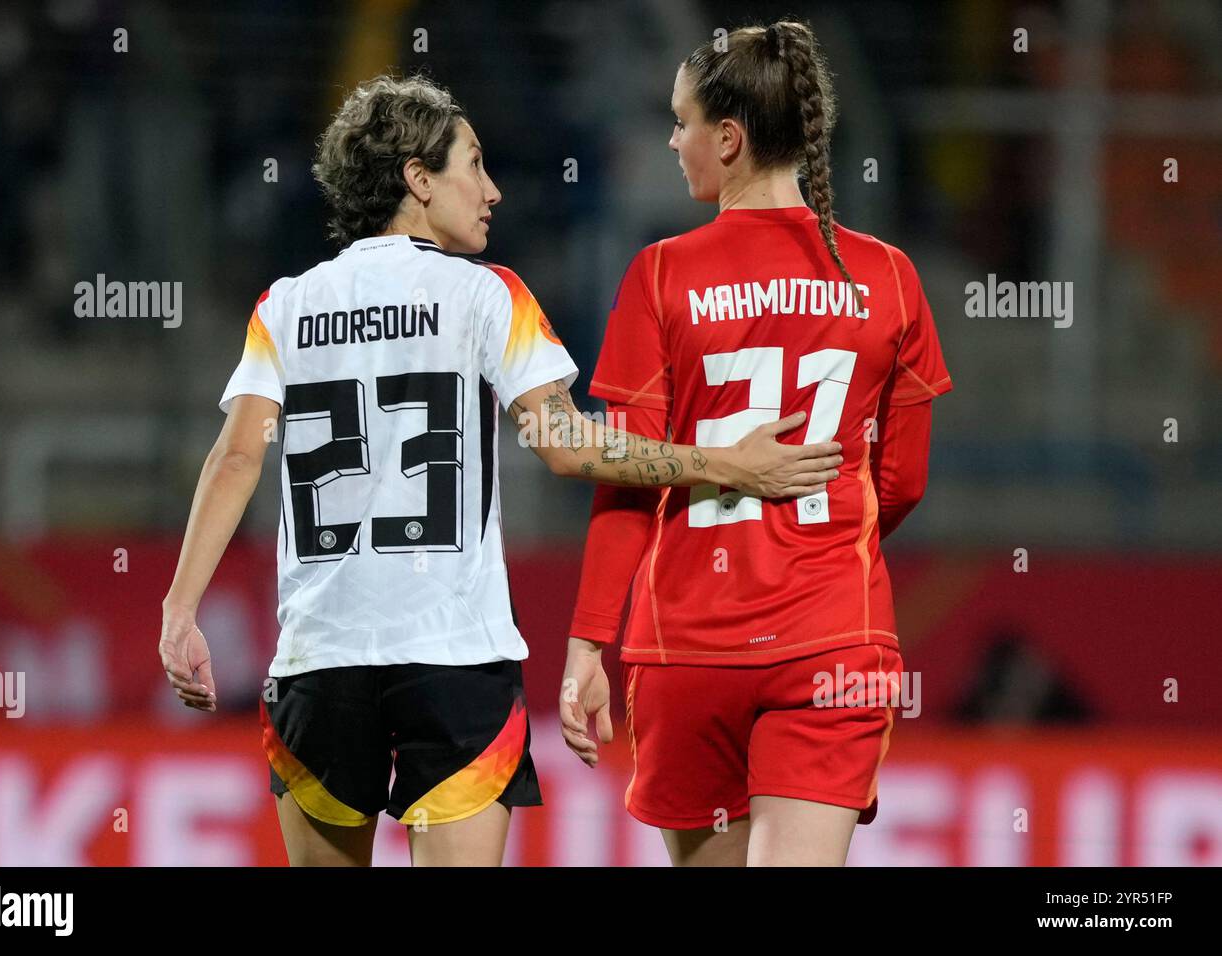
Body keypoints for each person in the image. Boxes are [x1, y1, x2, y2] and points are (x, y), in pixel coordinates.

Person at [157, 74, 844, 867]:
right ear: (418, 179)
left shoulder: (284, 305)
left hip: (320, 659)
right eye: (472, 166)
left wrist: (180, 608)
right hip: (453, 659)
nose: (492, 192)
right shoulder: (488, 295)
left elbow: (239, 453)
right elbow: (566, 444)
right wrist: (725, 462)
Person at [560, 20, 953, 866]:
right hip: (831, 640)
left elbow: (625, 473)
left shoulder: (660, 273)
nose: (672, 140)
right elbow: (904, 479)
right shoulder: (888, 276)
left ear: (729, 139)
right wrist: (819, 536)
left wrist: (588, 641)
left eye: (682, 121)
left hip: (686, 649)